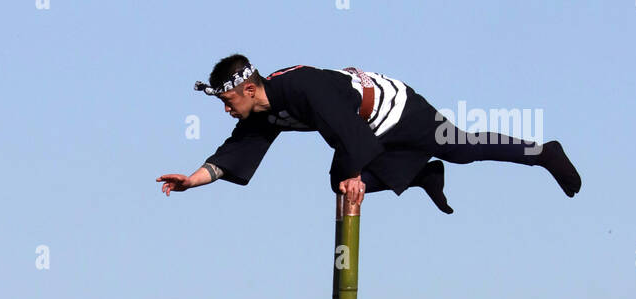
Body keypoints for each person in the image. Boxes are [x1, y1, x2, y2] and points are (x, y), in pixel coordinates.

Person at [157, 56, 581, 213]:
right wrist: (193, 180)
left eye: (228, 100)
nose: (227, 109)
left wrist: (356, 171)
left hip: (398, 110)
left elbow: (349, 136)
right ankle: (419, 176)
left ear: (249, 89)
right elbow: (238, 150)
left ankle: (544, 152)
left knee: (462, 148)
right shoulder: (261, 112)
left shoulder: (302, 87)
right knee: (341, 186)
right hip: (362, 127)